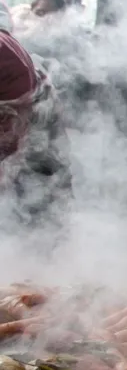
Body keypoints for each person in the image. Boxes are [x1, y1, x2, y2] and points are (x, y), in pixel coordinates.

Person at [0, 28, 72, 237]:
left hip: (34, 117)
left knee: (38, 203)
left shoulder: (6, 62)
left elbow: (10, 133)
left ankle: (45, 256)